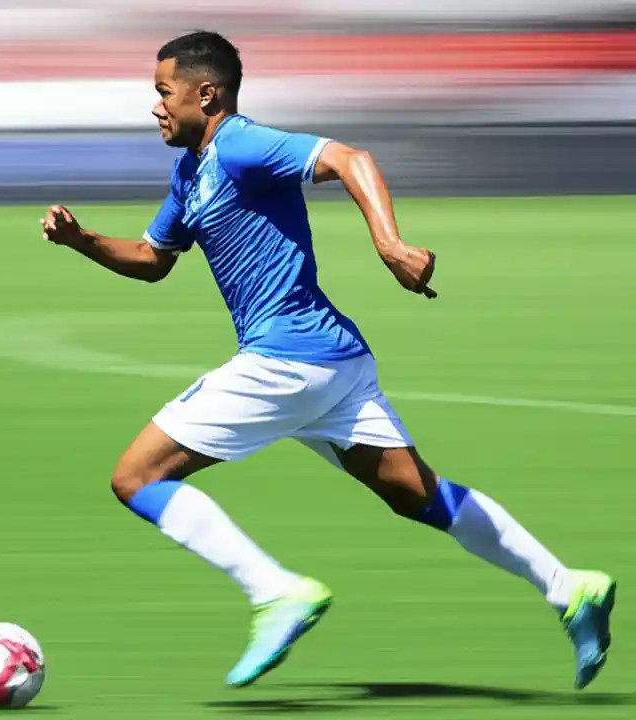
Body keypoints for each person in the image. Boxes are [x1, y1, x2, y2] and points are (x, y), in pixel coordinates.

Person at [38, 30, 615, 690]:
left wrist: (390, 245)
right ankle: (569, 586)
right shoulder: (190, 173)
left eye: (163, 92)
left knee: (136, 477)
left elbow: (349, 157)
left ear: (208, 94)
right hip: (333, 364)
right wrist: (80, 239)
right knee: (419, 496)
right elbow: (151, 261)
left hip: (284, 360)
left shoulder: (242, 144)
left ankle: (275, 591)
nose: (155, 107)